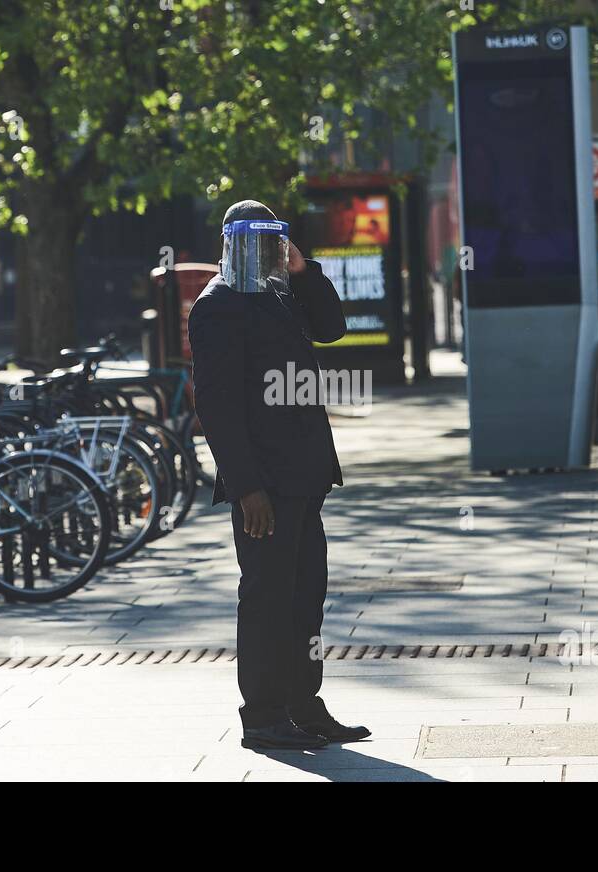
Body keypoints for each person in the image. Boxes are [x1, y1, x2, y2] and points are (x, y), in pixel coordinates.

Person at [187, 199, 371, 751]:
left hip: (304, 474)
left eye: (273, 239)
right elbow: (217, 408)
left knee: (305, 594)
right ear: (231, 243)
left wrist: (304, 269)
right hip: (263, 483)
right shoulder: (216, 306)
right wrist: (246, 488)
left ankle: (303, 704)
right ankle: (263, 715)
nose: (265, 250)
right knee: (267, 598)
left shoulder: (279, 292)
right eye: (256, 240)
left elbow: (333, 329)